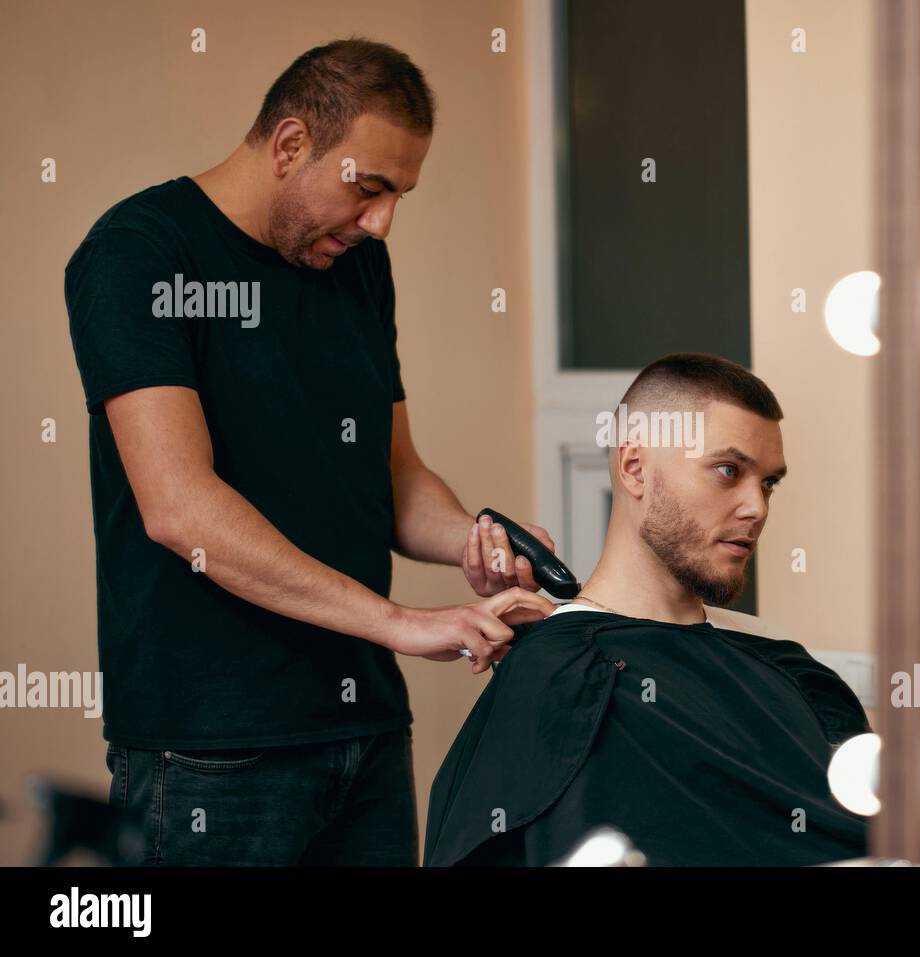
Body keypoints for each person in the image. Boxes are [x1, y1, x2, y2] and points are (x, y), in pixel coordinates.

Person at [64, 38, 555, 866]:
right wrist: (400, 623)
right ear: (291, 144)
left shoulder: (359, 267)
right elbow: (179, 508)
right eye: (367, 187)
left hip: (365, 729)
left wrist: (478, 538)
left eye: (398, 196)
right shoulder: (140, 252)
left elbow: (396, 478)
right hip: (210, 748)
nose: (381, 221)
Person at [423, 353, 871, 866]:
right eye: (728, 470)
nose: (757, 507)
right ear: (634, 468)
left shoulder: (790, 669)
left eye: (768, 482)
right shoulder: (554, 670)